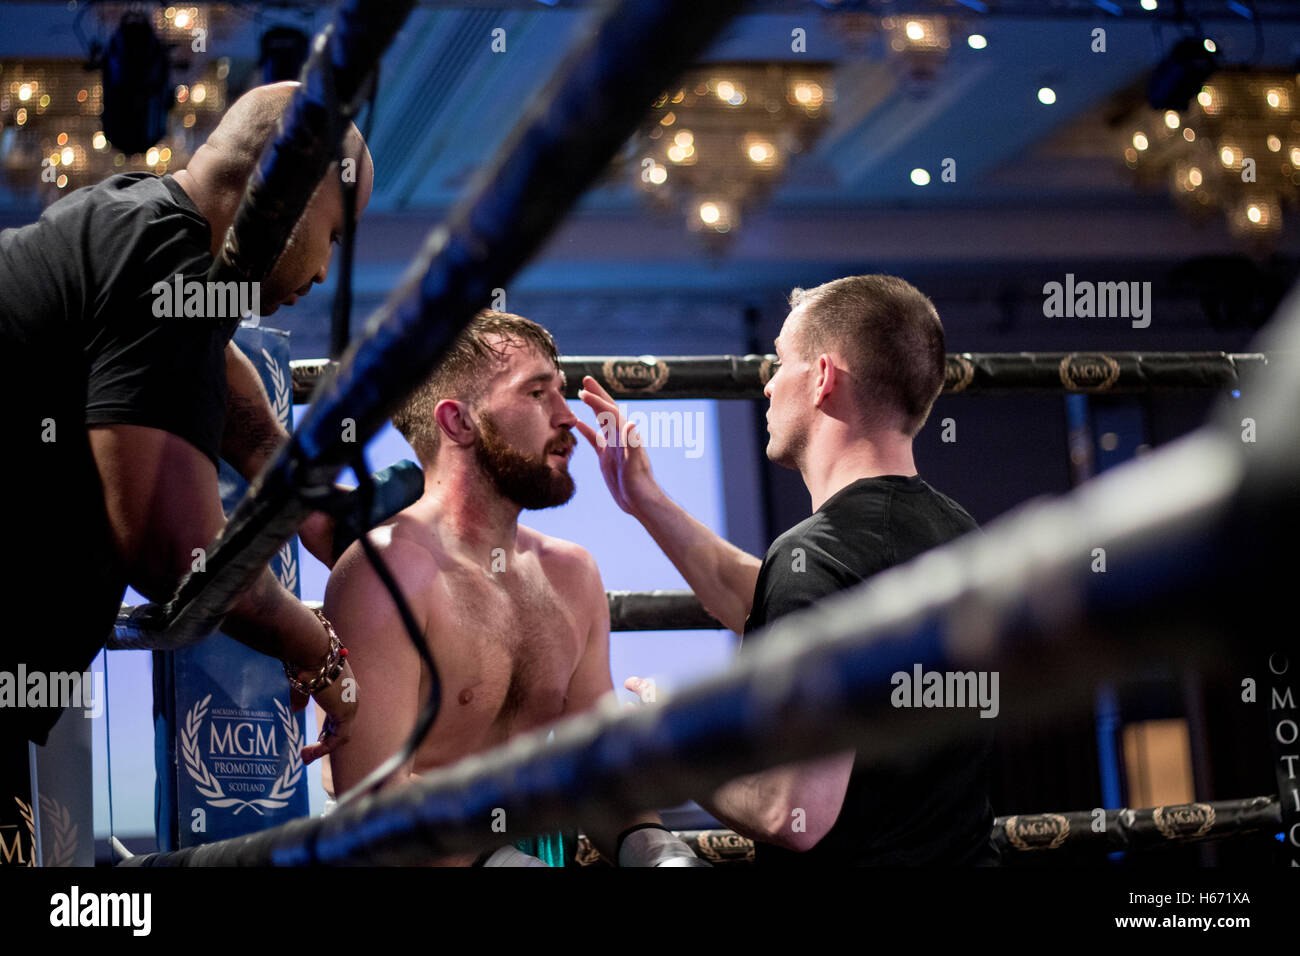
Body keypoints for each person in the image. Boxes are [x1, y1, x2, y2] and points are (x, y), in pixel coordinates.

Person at [0, 81, 373, 759]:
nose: (324, 270)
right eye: (335, 233)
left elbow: (244, 422)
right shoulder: (165, 261)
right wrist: (322, 653)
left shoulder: (143, 223)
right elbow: (180, 555)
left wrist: (337, 523)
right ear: (286, 188)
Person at [577, 275, 996, 865]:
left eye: (780, 362)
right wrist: (645, 499)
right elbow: (773, 605)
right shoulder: (957, 532)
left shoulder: (818, 560)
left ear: (823, 378)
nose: (768, 385)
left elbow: (793, 815)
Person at [321, 310, 706, 866]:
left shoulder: (571, 574)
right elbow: (374, 806)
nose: (568, 418)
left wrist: (652, 848)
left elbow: (595, 765)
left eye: (563, 392)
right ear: (458, 423)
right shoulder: (385, 575)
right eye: (537, 393)